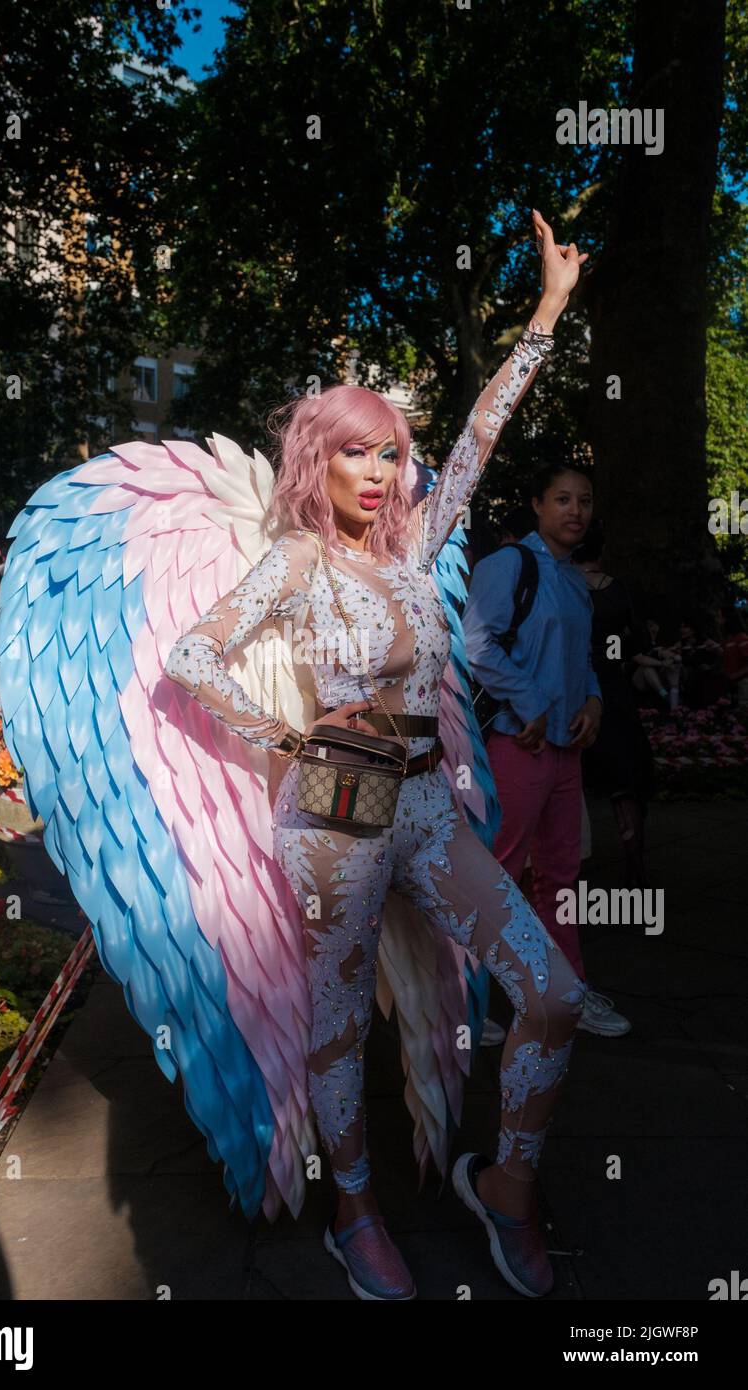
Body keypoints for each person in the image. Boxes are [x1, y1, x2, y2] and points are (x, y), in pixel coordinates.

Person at [163, 211, 589, 1300]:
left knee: (544, 991)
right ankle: (353, 1213)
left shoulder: (416, 542)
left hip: (424, 811)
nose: (375, 467)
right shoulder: (294, 560)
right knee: (339, 1024)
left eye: (388, 449)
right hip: (329, 824)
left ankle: (504, 1183)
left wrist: (542, 314)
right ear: (319, 457)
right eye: (353, 448)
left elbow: (482, 438)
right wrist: (287, 733)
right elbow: (192, 655)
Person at [463, 464, 631, 1040]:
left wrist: (594, 701)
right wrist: (531, 701)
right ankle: (469, 1002)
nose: (575, 510)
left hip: (564, 747)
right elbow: (477, 642)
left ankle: (567, 994)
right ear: (537, 504)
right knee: (498, 872)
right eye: (562, 499)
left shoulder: (575, 581)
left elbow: (583, 659)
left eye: (584, 500)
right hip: (516, 742)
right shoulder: (510, 565)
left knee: (561, 877)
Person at [572, 521, 655, 888]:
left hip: (572, 692)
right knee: (625, 784)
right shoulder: (618, 590)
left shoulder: (565, 588)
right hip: (615, 692)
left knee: (566, 780)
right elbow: (639, 641)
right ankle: (634, 861)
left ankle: (561, 865)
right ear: (601, 551)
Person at [721, 607, 748, 708]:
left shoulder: (742, 638)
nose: (719, 621)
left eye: (721, 617)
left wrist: (736, 675)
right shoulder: (729, 640)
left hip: (743, 684)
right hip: (732, 685)